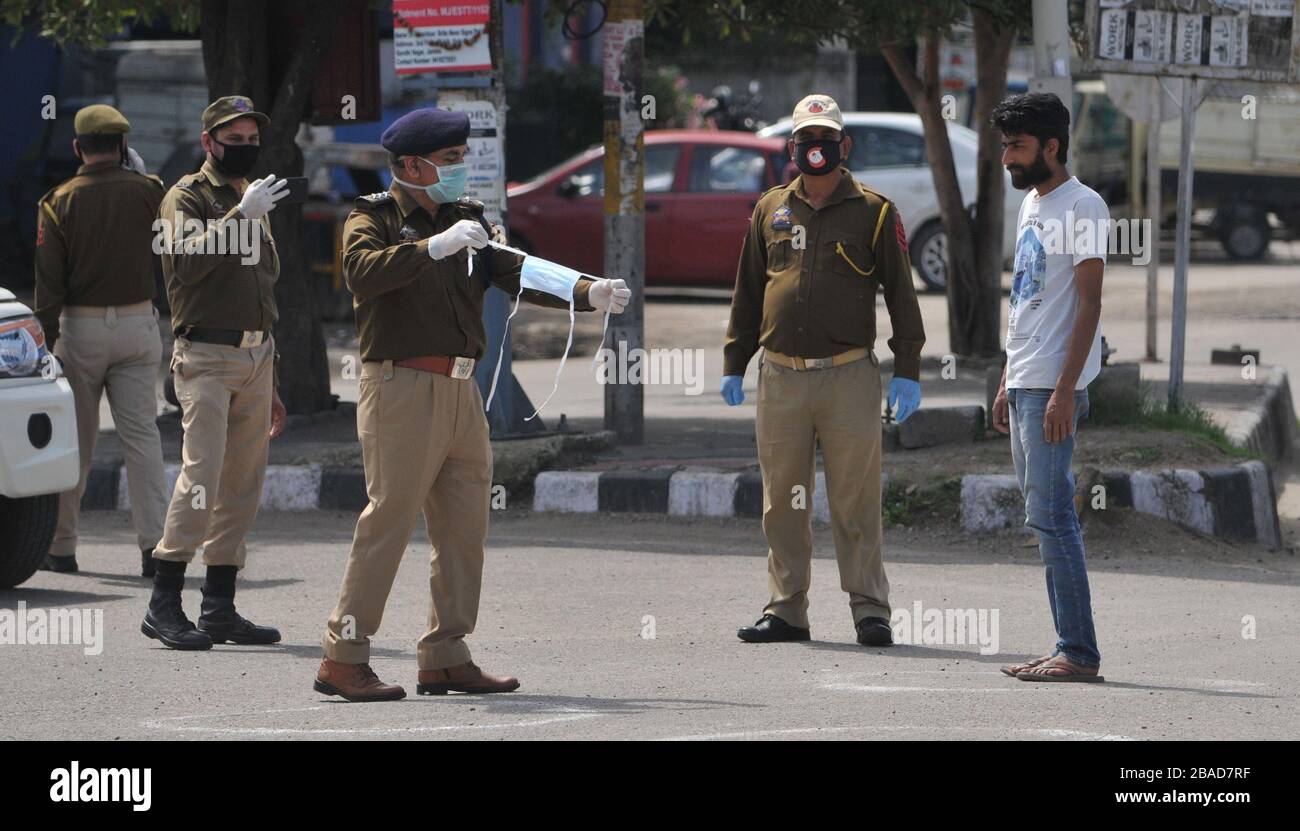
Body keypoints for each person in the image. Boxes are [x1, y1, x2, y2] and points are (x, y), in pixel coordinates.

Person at [315, 108, 629, 701]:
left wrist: (587, 291)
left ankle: (445, 655)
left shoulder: (467, 218)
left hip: (462, 388)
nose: (463, 168)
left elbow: (513, 271)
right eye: (451, 159)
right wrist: (431, 247)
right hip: (401, 386)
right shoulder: (374, 216)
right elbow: (359, 274)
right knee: (388, 522)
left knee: (463, 528)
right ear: (412, 164)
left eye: (462, 157)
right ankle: (343, 656)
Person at [721, 94, 925, 647]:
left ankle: (870, 610)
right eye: (806, 139)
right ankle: (786, 609)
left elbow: (903, 295)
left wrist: (908, 365)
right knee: (781, 499)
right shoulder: (769, 210)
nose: (817, 149)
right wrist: (734, 361)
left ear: (844, 145)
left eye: (826, 139)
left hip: (848, 376)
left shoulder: (876, 211)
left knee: (854, 498)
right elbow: (749, 290)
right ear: (792, 147)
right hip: (781, 377)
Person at [142, 95, 289, 651]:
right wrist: (238, 217)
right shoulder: (186, 196)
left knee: (243, 485)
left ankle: (219, 607)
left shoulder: (250, 197)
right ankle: (163, 602)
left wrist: (273, 375)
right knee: (200, 478)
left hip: (256, 357)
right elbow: (184, 261)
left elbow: (262, 289)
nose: (245, 148)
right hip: (204, 355)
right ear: (209, 142)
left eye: (253, 140)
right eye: (235, 139)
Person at [990, 92, 1106, 683]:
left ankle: (1078, 653)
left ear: (1051, 147)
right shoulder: (1031, 205)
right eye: (1005, 146)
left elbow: (1089, 305)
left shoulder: (1083, 206)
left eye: (1017, 147)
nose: (1008, 158)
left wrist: (1063, 390)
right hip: (1027, 381)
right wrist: (1008, 376)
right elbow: (1027, 301)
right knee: (1044, 518)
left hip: (1054, 389)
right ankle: (1067, 646)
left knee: (1054, 516)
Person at [34, 104, 168, 578]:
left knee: (77, 444)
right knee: (143, 440)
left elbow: (48, 288)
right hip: (138, 326)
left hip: (81, 331)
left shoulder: (57, 201)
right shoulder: (150, 192)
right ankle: (156, 548)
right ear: (124, 147)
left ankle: (62, 546)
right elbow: (169, 257)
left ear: (77, 148)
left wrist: (44, 345)